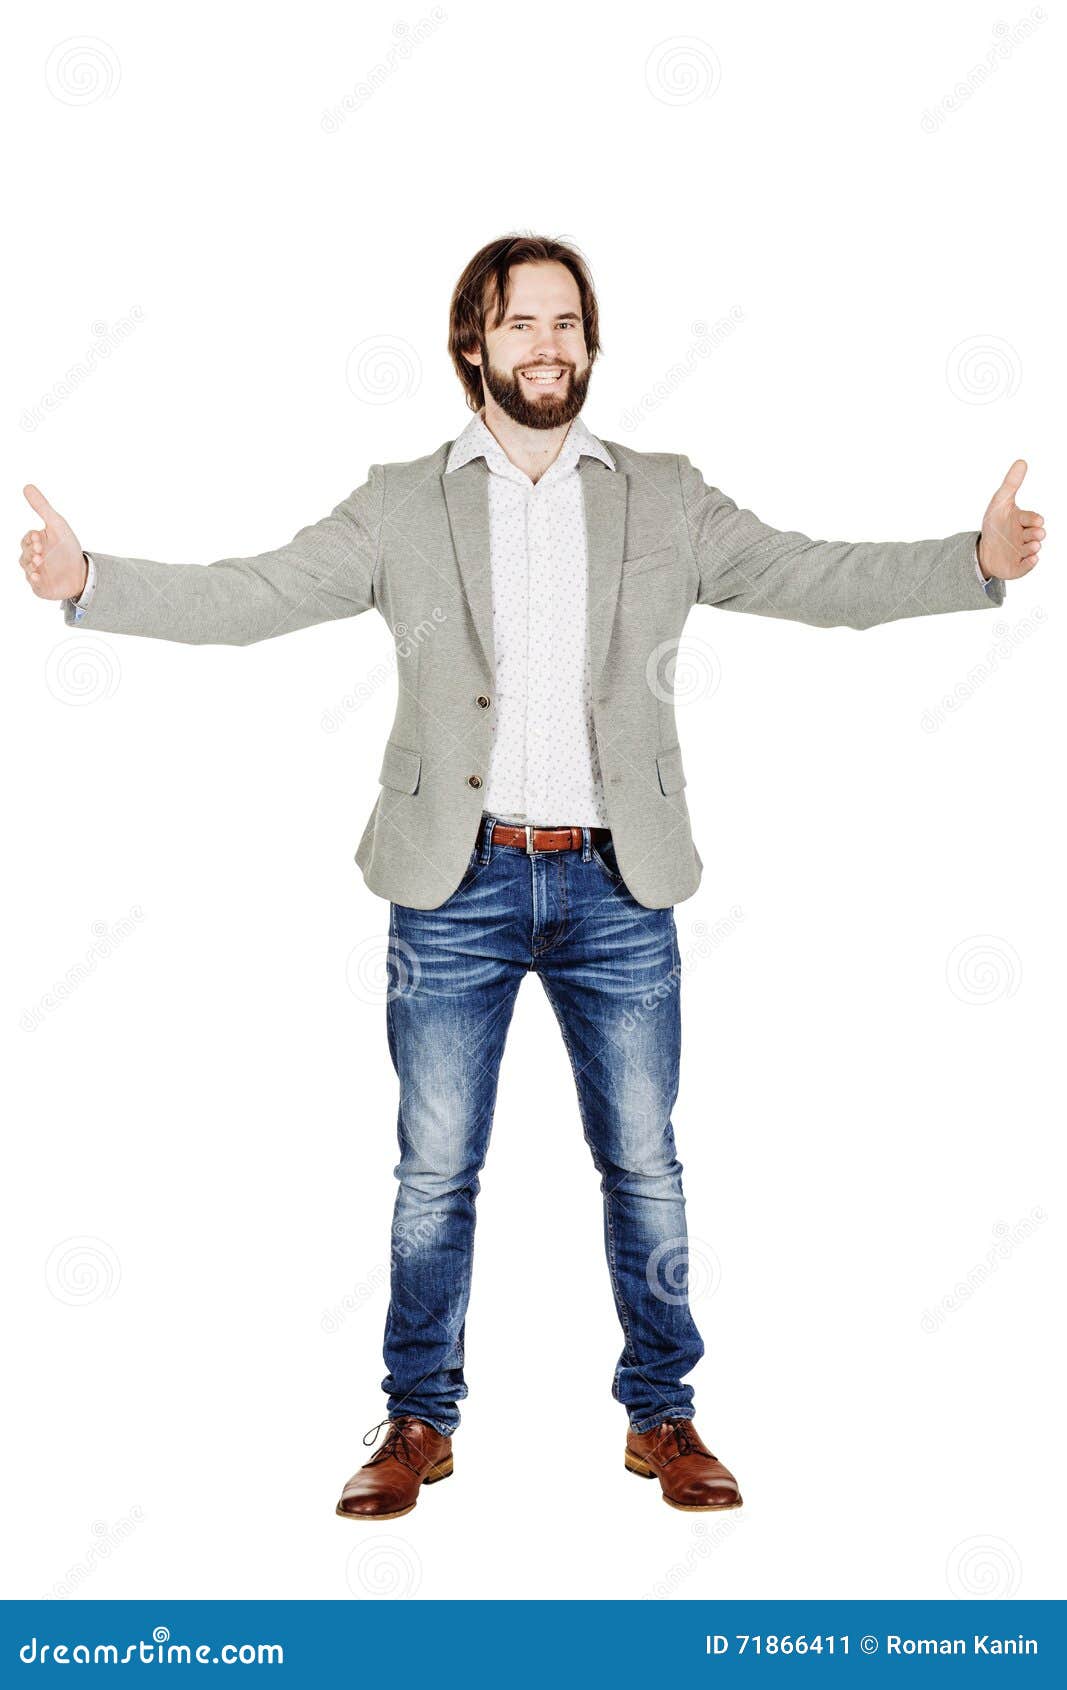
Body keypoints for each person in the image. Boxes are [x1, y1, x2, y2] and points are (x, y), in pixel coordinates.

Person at [20, 233, 1044, 1522]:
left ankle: (664, 1419)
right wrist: (92, 582)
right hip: (455, 886)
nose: (548, 344)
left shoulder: (663, 495)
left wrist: (974, 562)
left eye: (567, 322)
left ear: (589, 342)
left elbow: (811, 574)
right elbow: (259, 594)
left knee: (645, 1163)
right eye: (521, 325)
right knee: (436, 1168)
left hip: (622, 882)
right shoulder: (401, 501)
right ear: (475, 347)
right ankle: (415, 1421)